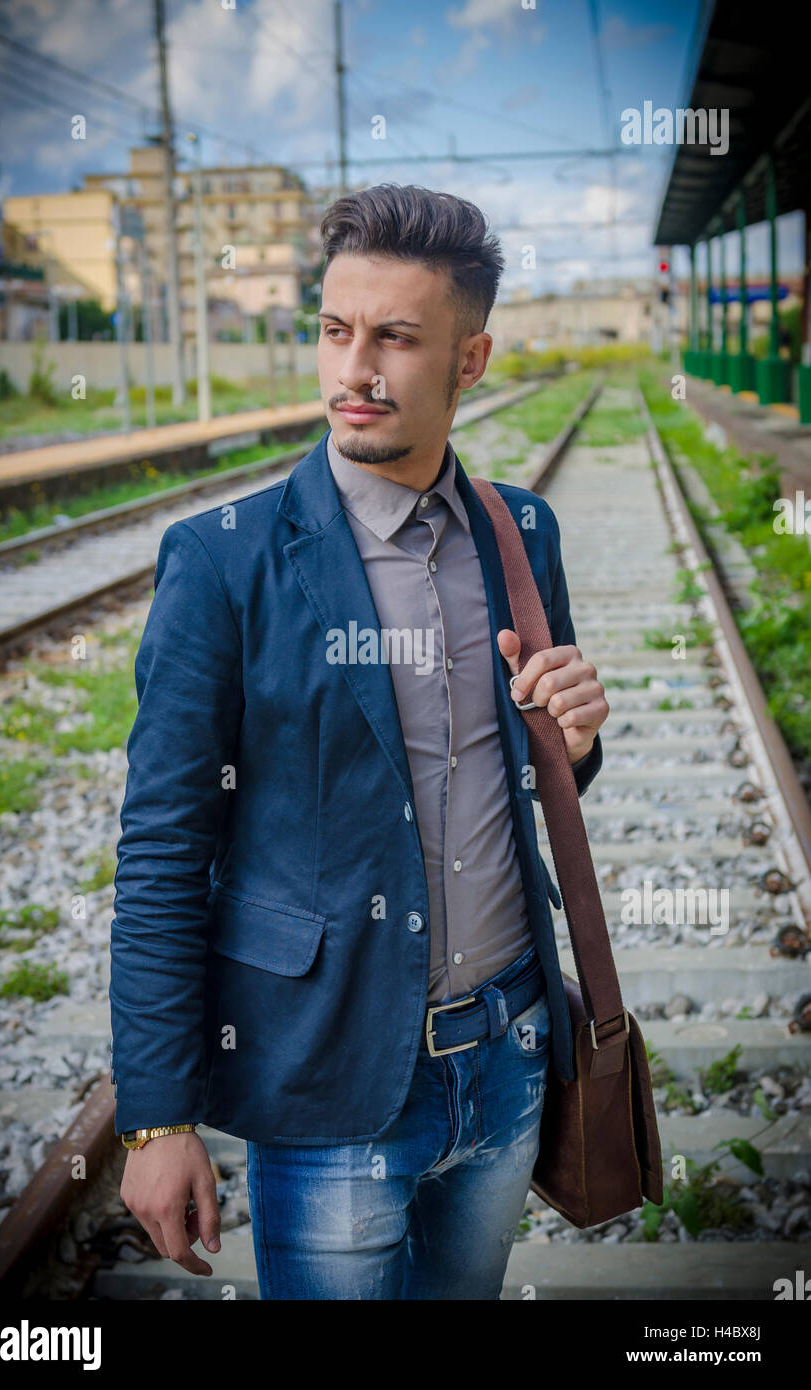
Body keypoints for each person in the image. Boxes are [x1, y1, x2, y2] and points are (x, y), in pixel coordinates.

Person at [111, 183, 609, 1300]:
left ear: (470, 360)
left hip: (512, 1052)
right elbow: (159, 848)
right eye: (337, 331)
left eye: (396, 337)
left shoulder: (522, 532)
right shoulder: (222, 563)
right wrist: (153, 1117)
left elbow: (543, 769)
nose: (354, 372)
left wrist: (571, 740)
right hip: (328, 1076)